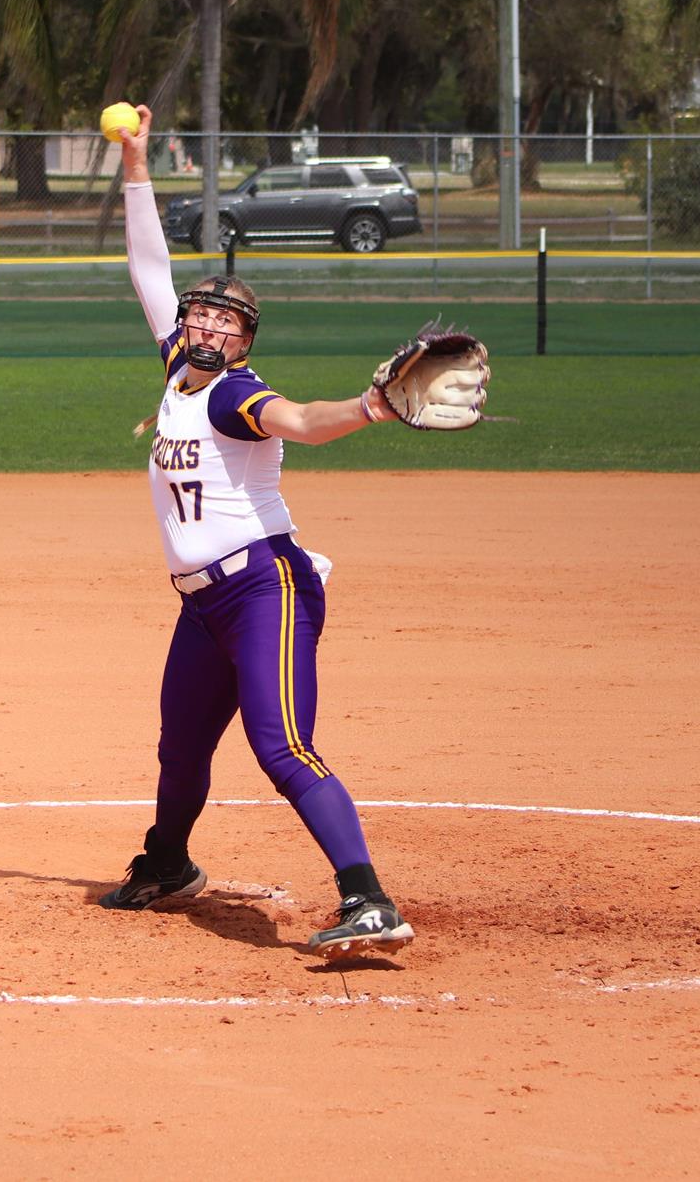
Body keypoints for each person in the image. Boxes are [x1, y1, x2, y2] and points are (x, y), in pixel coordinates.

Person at [97, 103, 414, 959]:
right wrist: (135, 160)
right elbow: (146, 263)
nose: (205, 324)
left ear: (242, 343)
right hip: (201, 605)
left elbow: (303, 420)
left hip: (263, 589)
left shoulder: (239, 395)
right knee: (180, 748)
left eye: (224, 321)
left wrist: (372, 406)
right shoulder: (177, 368)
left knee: (281, 745)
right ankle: (168, 863)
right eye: (200, 313)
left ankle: (368, 897)